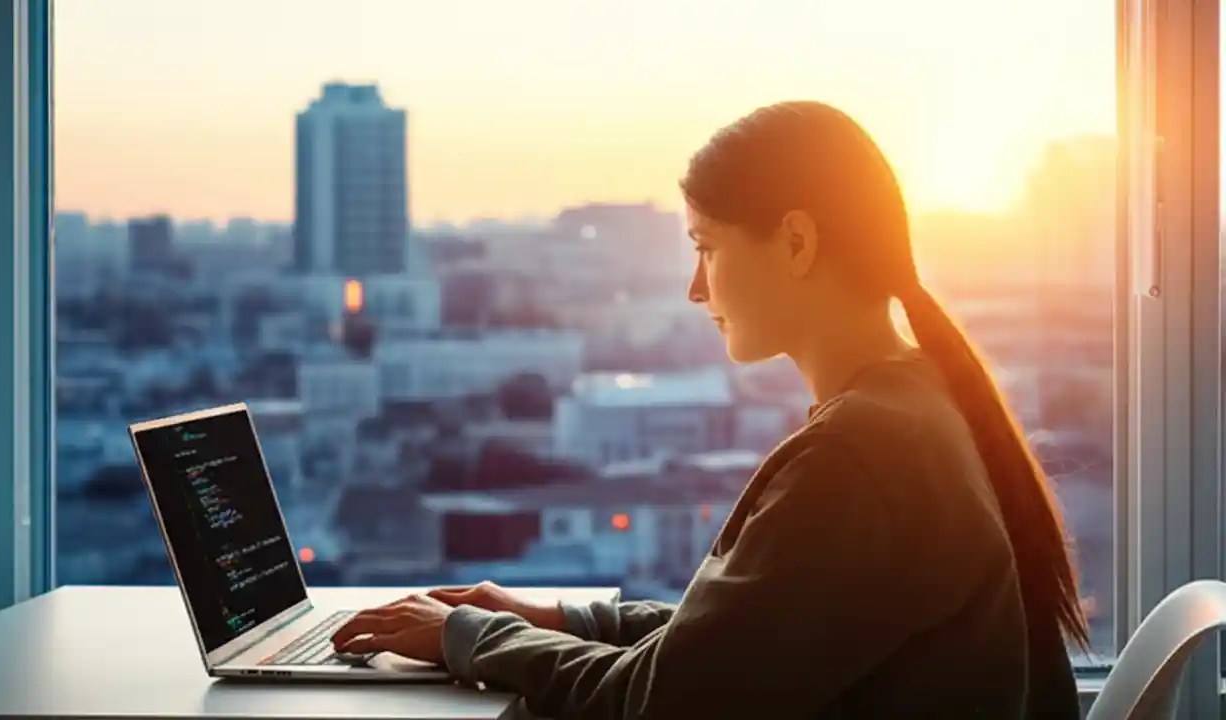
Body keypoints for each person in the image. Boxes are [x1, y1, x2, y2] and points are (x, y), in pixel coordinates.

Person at [330, 101, 1090, 718]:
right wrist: (567, 621)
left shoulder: (861, 458)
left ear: (796, 241)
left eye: (708, 248)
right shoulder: (920, 401)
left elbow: (659, 704)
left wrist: (470, 636)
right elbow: (748, 642)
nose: (696, 289)